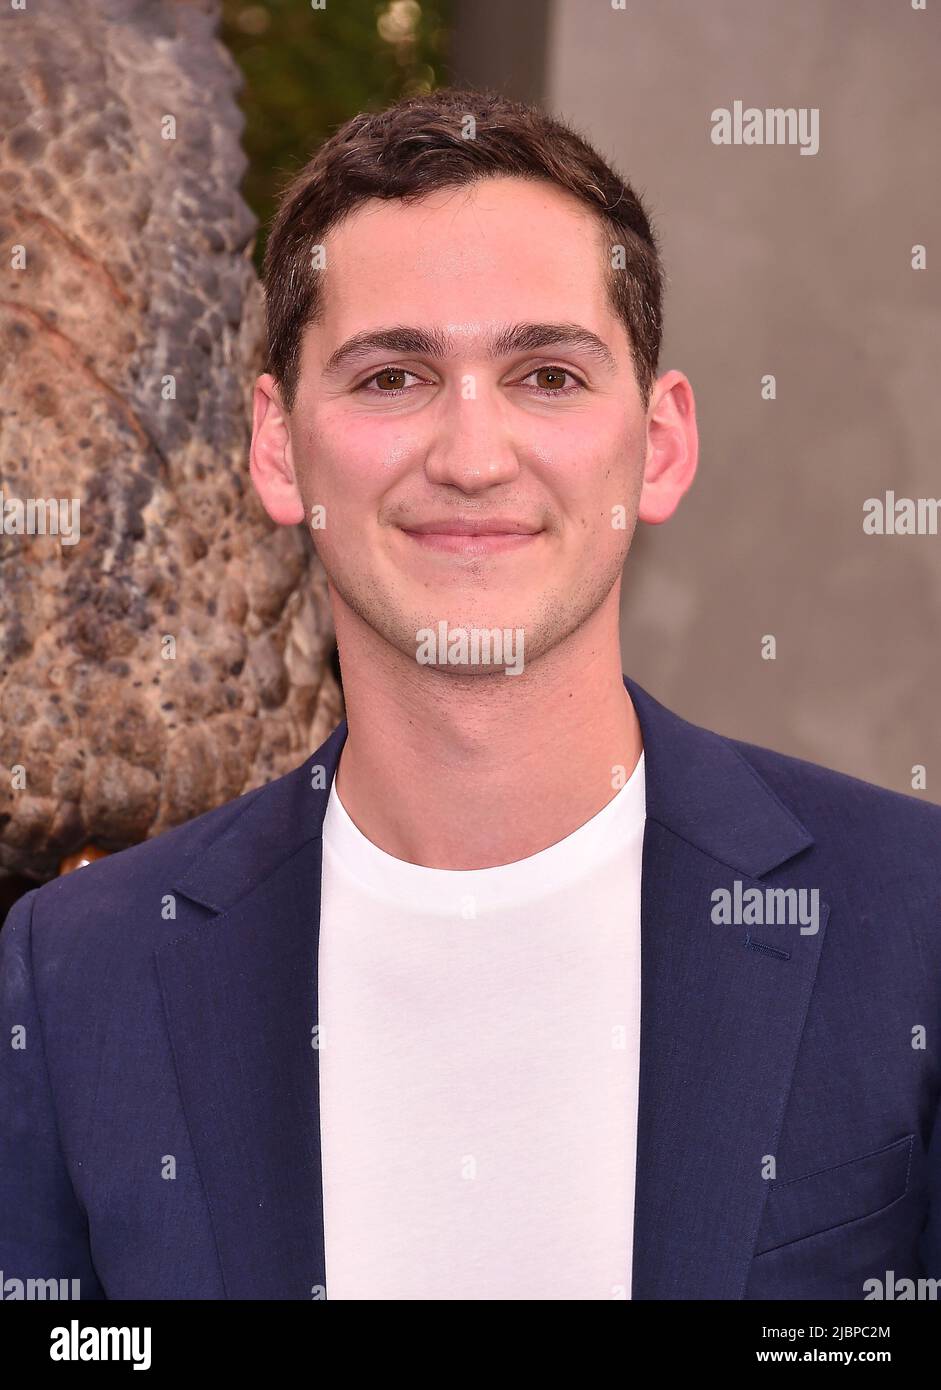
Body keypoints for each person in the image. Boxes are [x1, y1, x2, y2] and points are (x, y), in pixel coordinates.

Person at [2, 87, 939, 1302]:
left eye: (546, 374)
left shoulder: (909, 920)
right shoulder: (78, 976)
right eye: (392, 377)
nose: (471, 454)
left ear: (657, 444)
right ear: (278, 447)